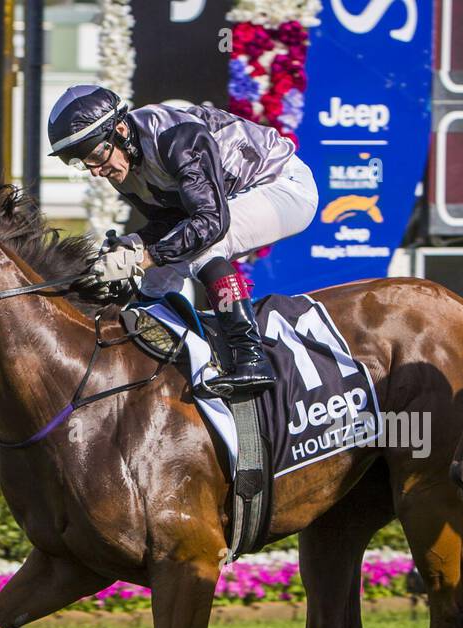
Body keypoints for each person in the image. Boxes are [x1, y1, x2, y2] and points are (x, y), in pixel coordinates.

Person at [47, 85, 319, 397]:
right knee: (153, 278)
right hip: (230, 201)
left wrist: (143, 256)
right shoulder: (121, 164)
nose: (95, 171)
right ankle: (153, 362)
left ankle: (251, 358)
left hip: (284, 186)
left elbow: (210, 223)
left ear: (120, 130)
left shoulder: (175, 138)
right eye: (83, 164)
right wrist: (131, 246)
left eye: (95, 156)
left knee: (204, 250)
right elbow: (169, 221)